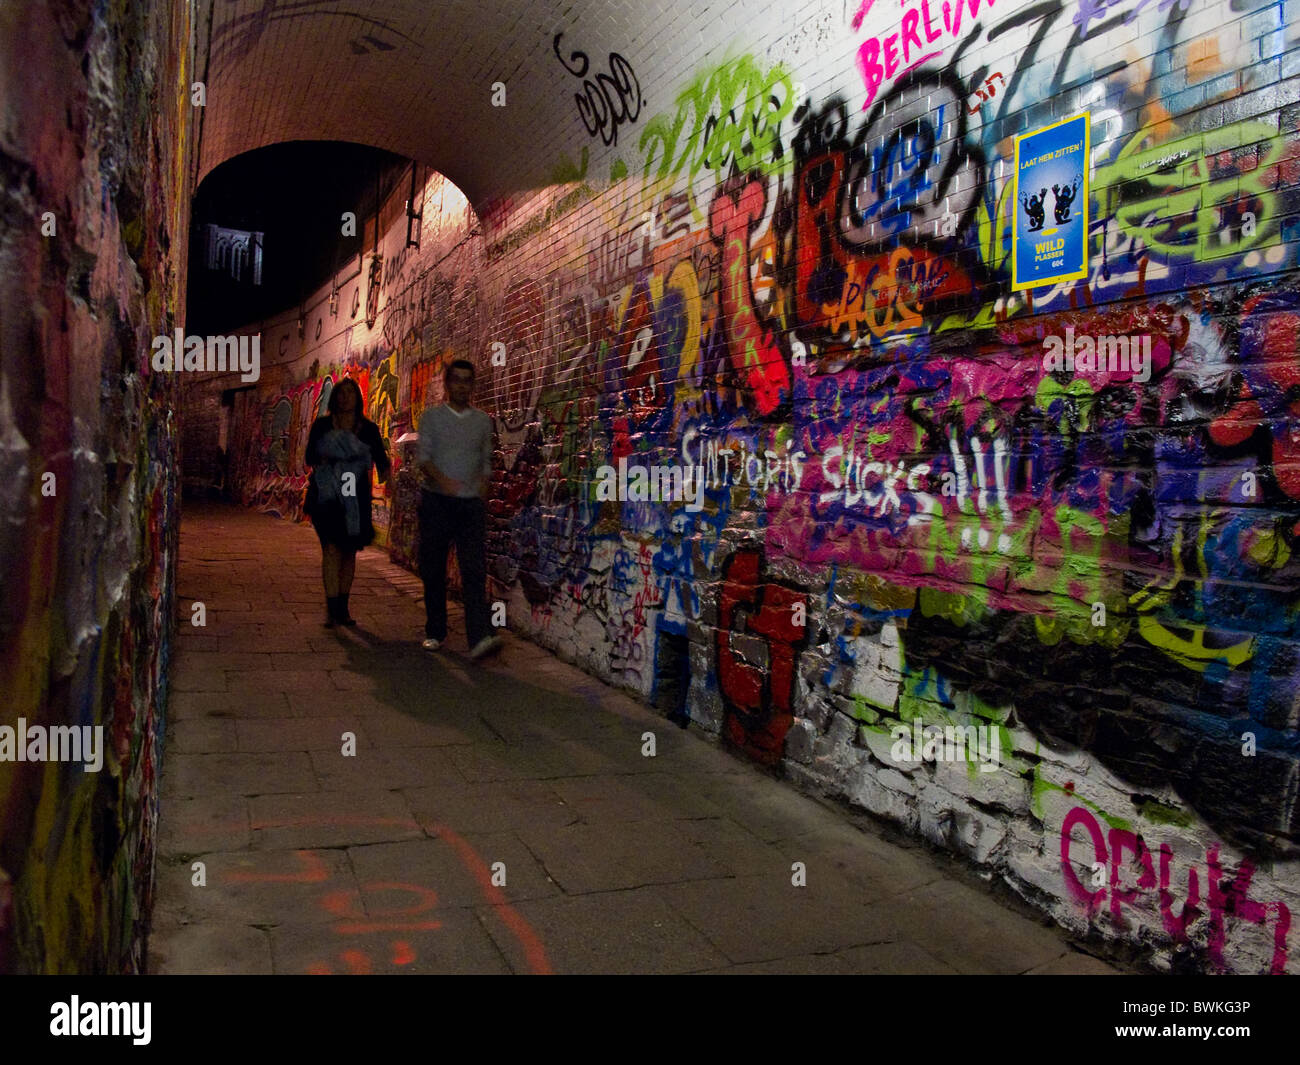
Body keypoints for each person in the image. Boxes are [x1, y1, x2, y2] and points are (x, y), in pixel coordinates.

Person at [416, 359, 500, 659]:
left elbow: (486, 460)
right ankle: (435, 631)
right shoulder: (432, 418)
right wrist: (444, 481)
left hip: (470, 506)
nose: (462, 385)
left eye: (468, 380)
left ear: (472, 385)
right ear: (448, 384)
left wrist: (481, 489)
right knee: (434, 569)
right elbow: (423, 458)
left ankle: (477, 637)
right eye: (457, 380)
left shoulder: (482, 421)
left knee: (474, 570)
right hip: (437, 501)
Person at [304, 377, 391, 627]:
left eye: (350, 393)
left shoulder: (368, 429)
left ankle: (343, 607)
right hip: (327, 498)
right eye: (341, 393)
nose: (345, 397)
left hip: (356, 499)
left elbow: (382, 462)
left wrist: (391, 480)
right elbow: (310, 456)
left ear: (357, 398)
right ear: (335, 398)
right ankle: (333, 609)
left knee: (348, 552)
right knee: (331, 549)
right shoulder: (321, 426)